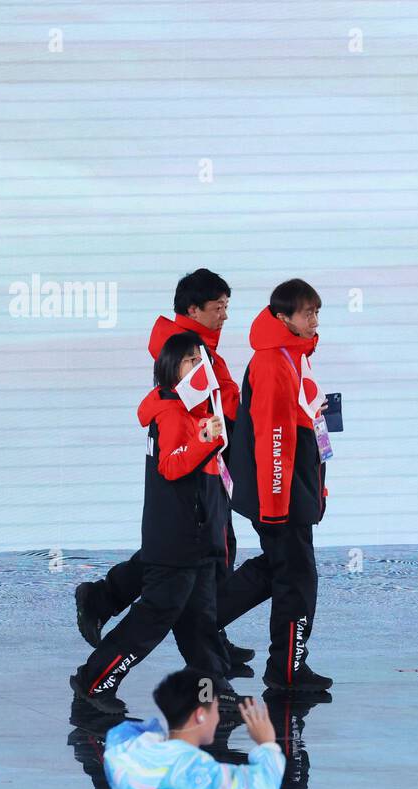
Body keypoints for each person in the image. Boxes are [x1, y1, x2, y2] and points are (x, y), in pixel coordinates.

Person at [74, 268, 254, 676]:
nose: (225, 315)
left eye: (227, 306)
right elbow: (189, 415)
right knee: (184, 562)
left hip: (209, 461)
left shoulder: (199, 347)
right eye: (218, 308)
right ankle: (104, 604)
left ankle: (207, 645)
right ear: (193, 309)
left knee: (196, 558)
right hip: (199, 464)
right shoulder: (183, 350)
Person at [69, 332, 235, 714]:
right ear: (171, 368)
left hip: (199, 538)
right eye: (191, 361)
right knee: (154, 618)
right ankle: (94, 680)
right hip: (177, 538)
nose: (200, 368)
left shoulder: (196, 412)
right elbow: (171, 465)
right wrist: (207, 441)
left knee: (200, 623)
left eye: (203, 361)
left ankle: (212, 690)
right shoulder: (172, 412)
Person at [225, 279, 333, 693]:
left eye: (317, 312)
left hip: (288, 493)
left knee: (278, 571)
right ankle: (287, 669)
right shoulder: (273, 362)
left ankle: (202, 618)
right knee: (297, 580)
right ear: (282, 317)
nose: (314, 321)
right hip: (280, 497)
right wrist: (275, 504)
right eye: (307, 314)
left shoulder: (291, 355)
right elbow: (273, 438)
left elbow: (292, 424)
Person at [104, 668, 285, 789]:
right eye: (215, 710)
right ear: (200, 715)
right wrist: (267, 745)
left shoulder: (132, 760)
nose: (217, 718)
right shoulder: (203, 773)